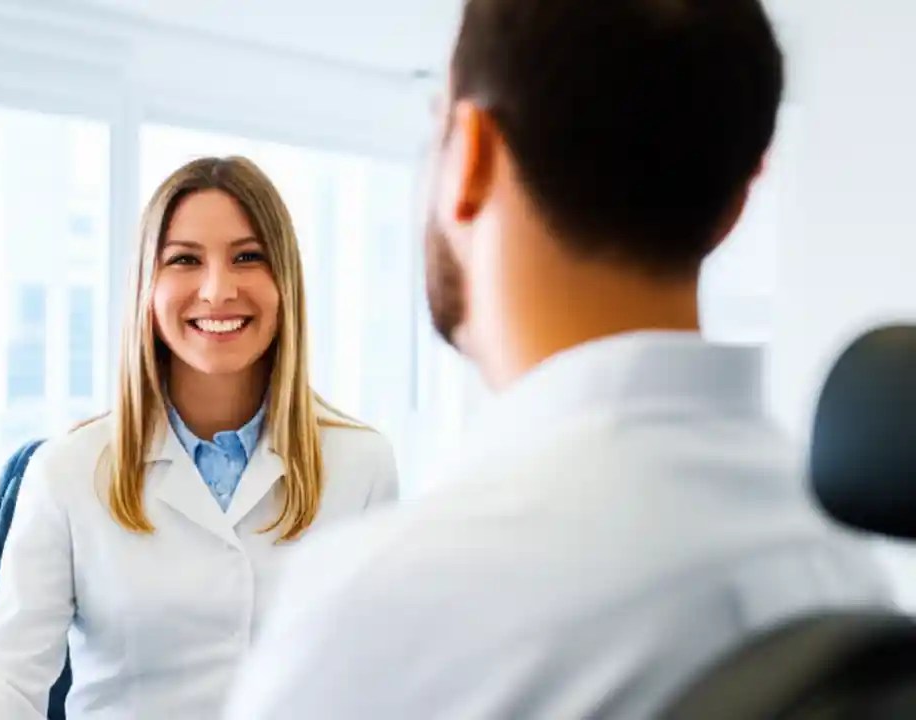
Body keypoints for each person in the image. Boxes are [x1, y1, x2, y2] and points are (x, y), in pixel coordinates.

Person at [224, 1, 893, 718]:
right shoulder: (849, 569)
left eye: (437, 120)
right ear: (741, 196)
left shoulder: (377, 610)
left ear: (470, 153)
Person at [0, 156, 399, 719]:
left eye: (248, 257)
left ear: (285, 282)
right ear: (148, 287)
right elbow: (1, 678)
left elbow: (383, 679)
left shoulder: (361, 464)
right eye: (184, 260)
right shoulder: (70, 470)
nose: (218, 289)